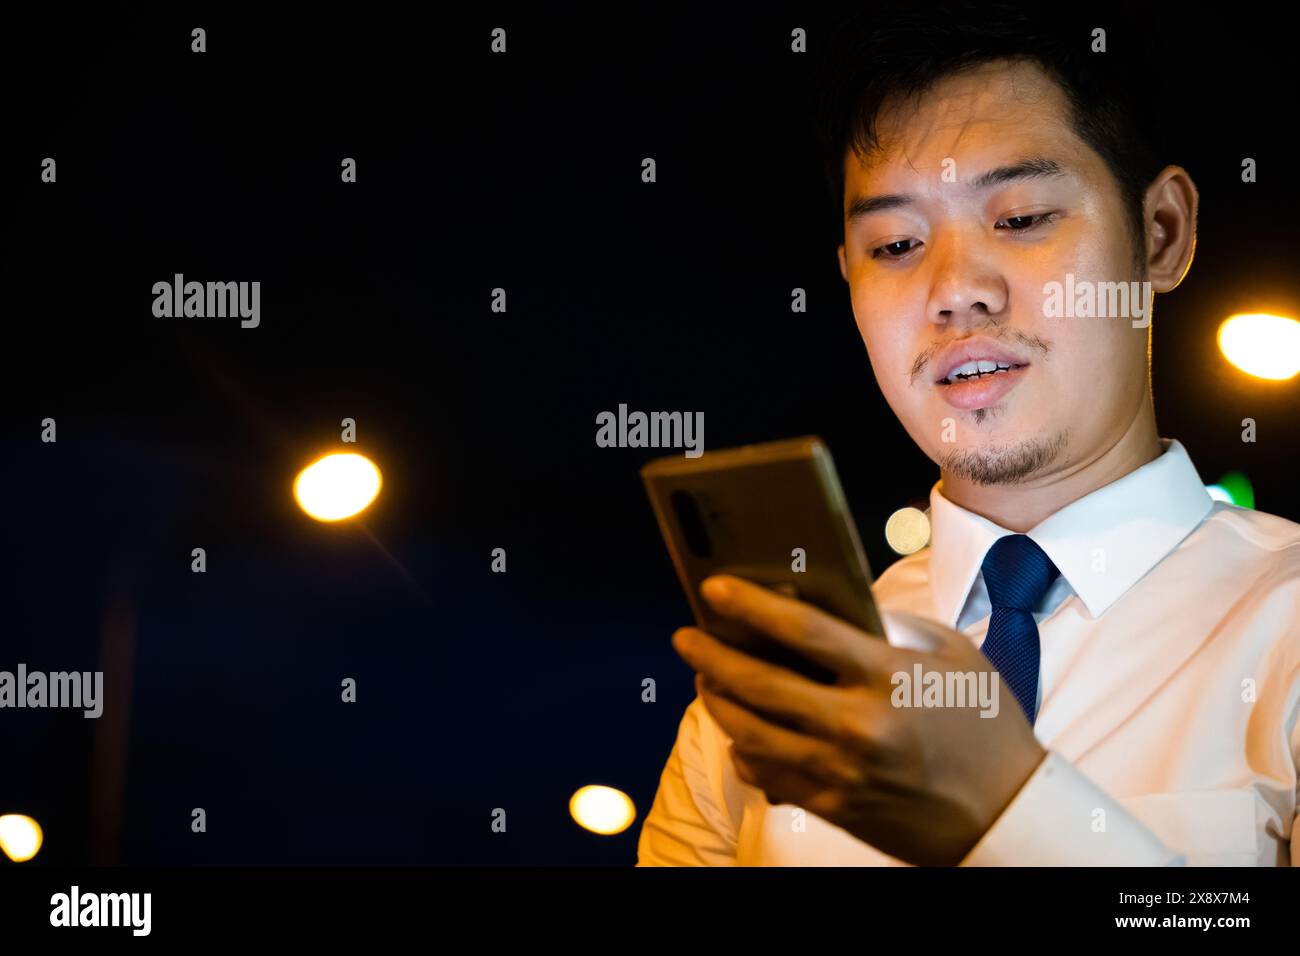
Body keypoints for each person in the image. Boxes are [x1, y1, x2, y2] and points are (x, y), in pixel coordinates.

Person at [636, 0, 1300, 866]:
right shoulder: (773, 702)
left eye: (1020, 219)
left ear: (1160, 234)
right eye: (897, 244)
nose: (954, 290)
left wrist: (1004, 814)